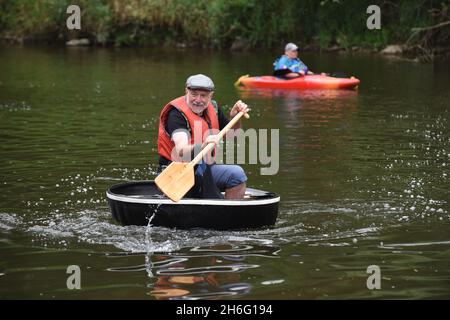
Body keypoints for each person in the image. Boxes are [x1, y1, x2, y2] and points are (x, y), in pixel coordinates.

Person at [157, 74, 249, 199]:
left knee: (237, 177)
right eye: (194, 94)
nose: (198, 100)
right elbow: (181, 150)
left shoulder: (214, 108)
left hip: (205, 169)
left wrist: (235, 118)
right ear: (186, 91)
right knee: (236, 174)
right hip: (177, 172)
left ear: (210, 96)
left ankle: (227, 214)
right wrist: (203, 145)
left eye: (203, 96)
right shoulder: (176, 115)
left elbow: (233, 136)